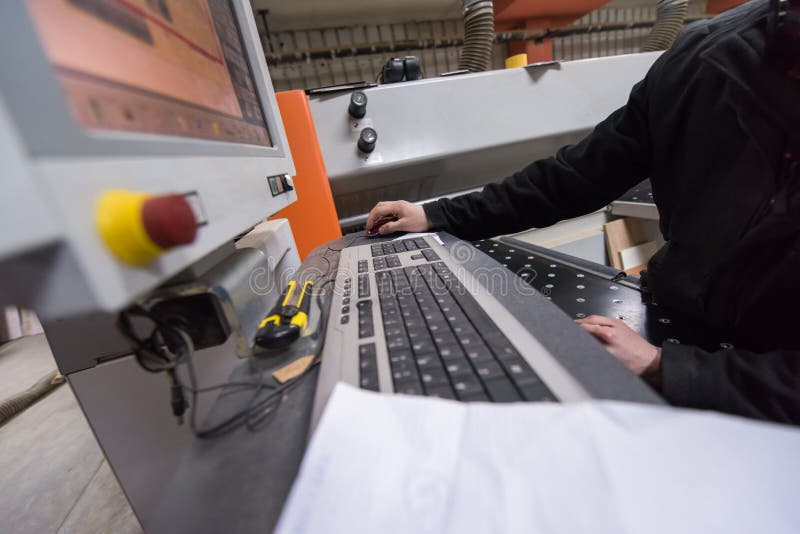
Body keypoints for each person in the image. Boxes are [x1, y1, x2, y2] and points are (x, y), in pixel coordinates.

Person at [365, 0, 800, 424]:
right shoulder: (702, 60)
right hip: (680, 314)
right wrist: (439, 215)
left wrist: (667, 369)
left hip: (766, 389)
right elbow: (576, 176)